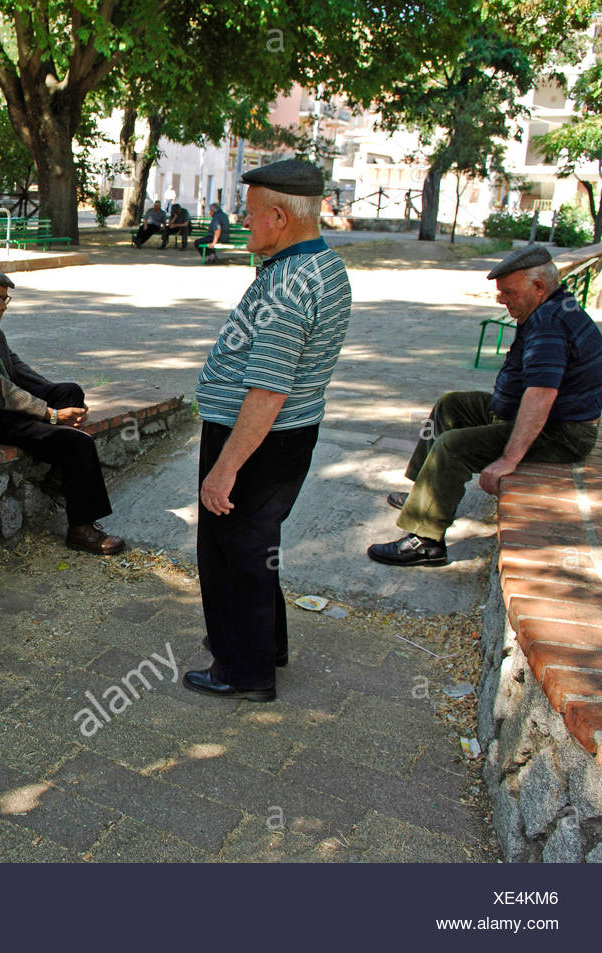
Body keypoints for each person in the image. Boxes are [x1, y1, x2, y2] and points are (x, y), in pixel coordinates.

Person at [184, 160, 351, 703]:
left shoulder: (289, 283)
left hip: (254, 437)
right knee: (255, 546)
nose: (241, 222)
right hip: (285, 433)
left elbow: (268, 390)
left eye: (250, 214)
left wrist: (224, 468)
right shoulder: (323, 266)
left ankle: (243, 670)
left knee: (231, 551)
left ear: (279, 217)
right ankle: (262, 644)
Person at [368, 245, 602, 567]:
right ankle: (422, 498)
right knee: (451, 405)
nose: (501, 300)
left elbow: (541, 394)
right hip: (536, 416)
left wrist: (509, 458)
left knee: (453, 446)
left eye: (508, 292)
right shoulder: (548, 306)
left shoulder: (551, 324)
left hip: (561, 433)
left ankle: (426, 541)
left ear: (538, 287)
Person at [0, 266, 125, 556]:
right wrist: (51, 414)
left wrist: (54, 397)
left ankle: (59, 477)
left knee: (71, 391)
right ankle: (81, 530)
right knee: (77, 444)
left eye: (5, 300)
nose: (2, 307)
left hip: (3, 408)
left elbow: (18, 370)